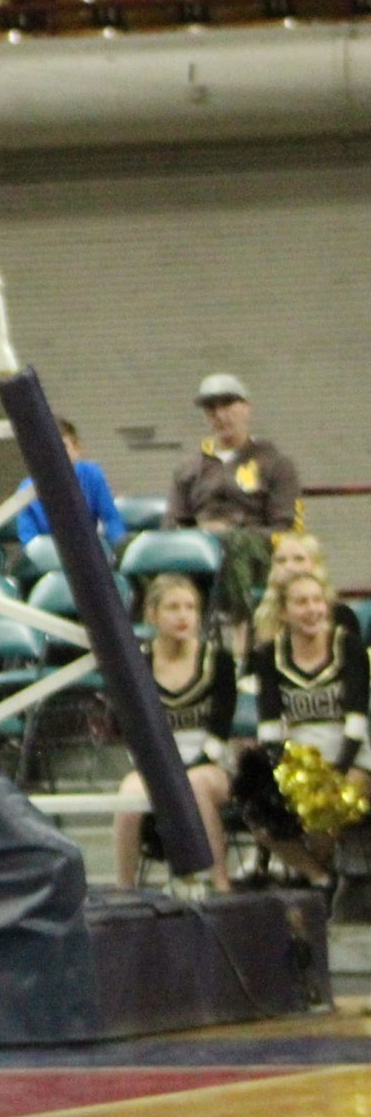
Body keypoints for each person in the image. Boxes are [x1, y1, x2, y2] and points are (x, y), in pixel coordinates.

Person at [112, 575, 237, 892]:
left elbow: (220, 729)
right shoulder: (137, 663)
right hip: (156, 762)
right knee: (129, 796)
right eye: (173, 608)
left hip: (209, 762)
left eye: (190, 607)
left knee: (195, 784)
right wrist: (159, 768)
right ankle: (124, 890)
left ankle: (220, 883)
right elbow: (130, 728)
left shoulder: (218, 661)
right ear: (152, 614)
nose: (183, 616)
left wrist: (191, 766)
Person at [249, 570, 369, 888]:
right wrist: (280, 768)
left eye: (318, 601)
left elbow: (357, 720)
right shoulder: (269, 655)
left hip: (350, 752)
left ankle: (314, 882)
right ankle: (319, 876)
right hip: (297, 755)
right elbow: (269, 724)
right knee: (255, 809)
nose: (312, 609)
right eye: (301, 602)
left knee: (328, 804)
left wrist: (337, 771)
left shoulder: (349, 646)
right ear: (284, 611)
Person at [169, 373, 300, 628]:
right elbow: (172, 524)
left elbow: (285, 528)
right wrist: (202, 535)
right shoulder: (189, 468)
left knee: (234, 544)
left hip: (256, 553)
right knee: (132, 548)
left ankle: (240, 630)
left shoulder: (275, 464)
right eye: (211, 408)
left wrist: (231, 533)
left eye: (228, 404)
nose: (220, 415)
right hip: (200, 552)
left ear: (246, 408)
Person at [15, 417, 127, 550]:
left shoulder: (92, 474)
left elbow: (111, 519)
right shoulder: (27, 490)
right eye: (48, 449)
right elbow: (29, 542)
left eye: (63, 447)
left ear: (77, 448)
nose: (55, 454)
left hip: (88, 551)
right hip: (48, 555)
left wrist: (119, 549)